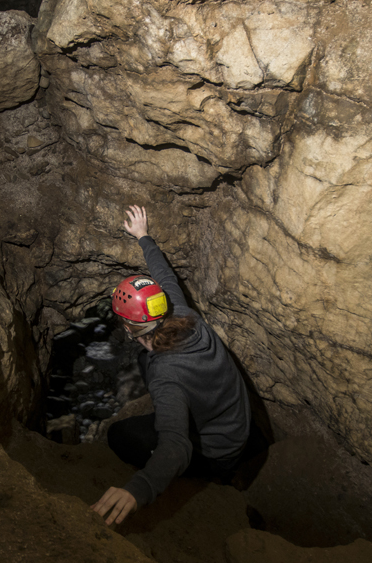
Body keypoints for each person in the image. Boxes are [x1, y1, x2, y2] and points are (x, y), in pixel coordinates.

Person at [91, 205, 252, 526]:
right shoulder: (181, 311)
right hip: (235, 422)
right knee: (142, 359)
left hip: (216, 452)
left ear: (127, 328)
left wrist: (140, 489)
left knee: (119, 436)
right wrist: (143, 235)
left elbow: (177, 445)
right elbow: (165, 275)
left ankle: (216, 481)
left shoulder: (167, 377)